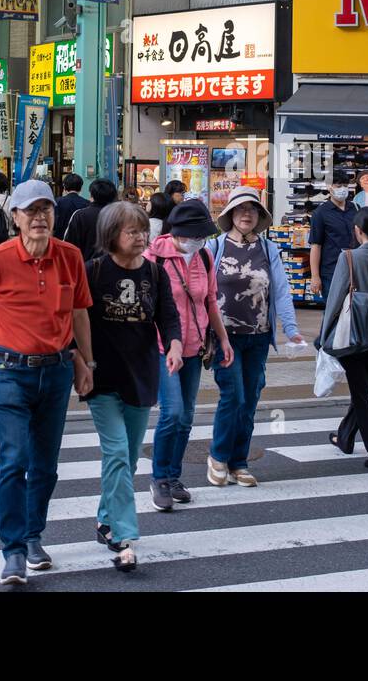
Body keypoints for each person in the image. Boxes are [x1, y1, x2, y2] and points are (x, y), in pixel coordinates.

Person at [0, 179, 96, 586]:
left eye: (46, 209)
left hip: (58, 370)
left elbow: (79, 314)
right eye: (30, 210)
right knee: (14, 460)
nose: (39, 216)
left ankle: (33, 537)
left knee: (46, 466)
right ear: (15, 217)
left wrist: (87, 362)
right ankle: (11, 551)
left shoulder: (71, 257)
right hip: (9, 372)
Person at [83, 201, 183, 572]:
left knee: (126, 454)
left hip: (142, 375)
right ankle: (124, 536)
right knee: (117, 454)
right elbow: (78, 322)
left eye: (143, 230)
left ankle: (105, 519)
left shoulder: (156, 275)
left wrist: (174, 346)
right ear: (112, 235)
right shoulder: (93, 272)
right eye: (132, 231)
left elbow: (168, 317)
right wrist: (81, 362)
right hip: (102, 377)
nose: (141, 237)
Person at [206, 187, 302, 487]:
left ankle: (238, 462)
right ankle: (218, 456)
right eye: (241, 208)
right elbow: (202, 291)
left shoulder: (269, 249)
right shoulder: (214, 248)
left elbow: (282, 290)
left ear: (259, 216)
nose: (247, 213)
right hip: (225, 337)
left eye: (253, 209)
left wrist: (291, 328)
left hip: (258, 336)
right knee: (232, 396)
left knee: (249, 400)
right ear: (231, 214)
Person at [146, 198, 234, 510]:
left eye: (202, 235)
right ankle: (158, 478)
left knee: (187, 417)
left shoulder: (205, 257)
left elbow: (210, 300)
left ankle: (173, 476)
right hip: (163, 347)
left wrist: (223, 340)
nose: (200, 240)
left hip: (195, 347)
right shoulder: (154, 257)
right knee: (172, 412)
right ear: (179, 233)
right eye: (195, 235)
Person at [320, 207, 368, 470]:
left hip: (352, 336)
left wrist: (323, 335)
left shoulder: (349, 258)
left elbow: (335, 300)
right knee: (361, 392)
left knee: (361, 397)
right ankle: (344, 437)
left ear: (358, 230)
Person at [308, 169, 359, 300]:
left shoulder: (356, 208)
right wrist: (315, 276)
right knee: (334, 312)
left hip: (356, 269)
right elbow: (316, 245)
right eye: (338, 186)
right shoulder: (320, 213)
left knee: (356, 312)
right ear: (328, 187)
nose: (342, 189)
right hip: (331, 271)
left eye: (345, 186)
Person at [64, 177, 118, 261]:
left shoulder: (80, 215)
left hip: (85, 268)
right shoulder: (119, 216)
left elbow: (69, 245)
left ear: (91, 195)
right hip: (115, 268)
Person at [52, 173, 89, 239]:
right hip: (80, 242)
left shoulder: (57, 202)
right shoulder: (87, 203)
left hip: (60, 241)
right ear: (81, 187)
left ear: (64, 187)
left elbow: (53, 224)